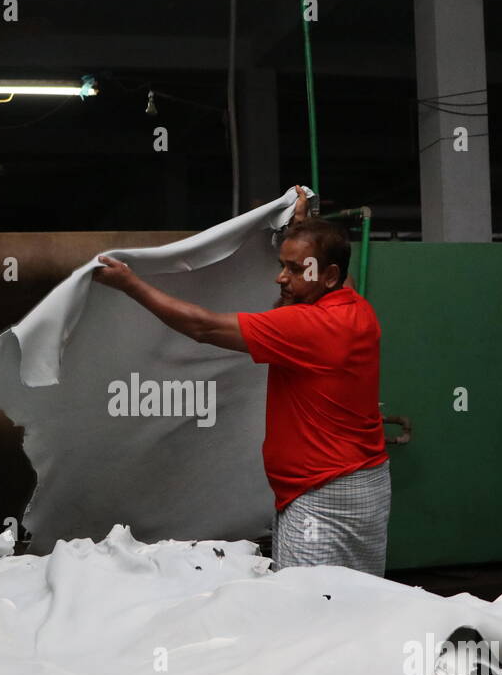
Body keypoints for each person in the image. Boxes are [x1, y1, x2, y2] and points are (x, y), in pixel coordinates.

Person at [90, 187, 390, 575]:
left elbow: (203, 327)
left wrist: (130, 284)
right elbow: (332, 272)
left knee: (307, 600)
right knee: (360, 596)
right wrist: (301, 225)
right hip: (364, 483)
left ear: (328, 275)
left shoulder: (308, 325)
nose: (281, 277)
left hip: (321, 493)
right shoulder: (355, 307)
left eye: (294, 269)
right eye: (283, 265)